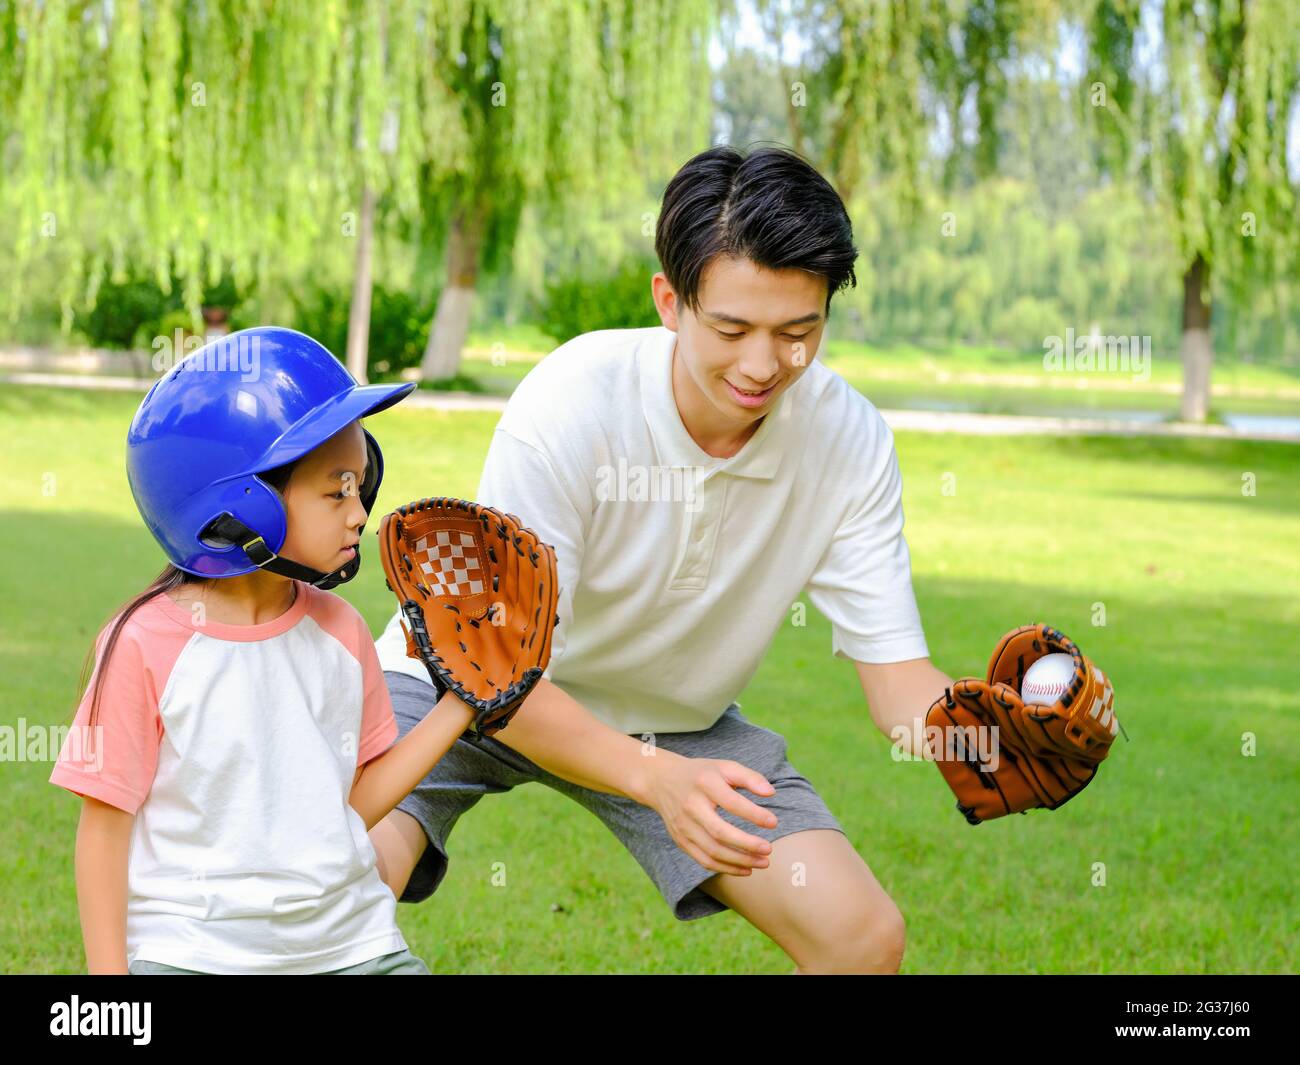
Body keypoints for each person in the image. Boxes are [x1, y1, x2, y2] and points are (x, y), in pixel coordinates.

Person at [369, 146, 956, 974]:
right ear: (670, 301)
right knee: (344, 879)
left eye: (798, 332)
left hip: (674, 723)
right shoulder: (571, 401)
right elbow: (496, 673)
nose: (762, 366)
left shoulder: (847, 440)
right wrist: (653, 781)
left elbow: (902, 686)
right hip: (464, 689)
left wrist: (995, 734)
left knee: (861, 935)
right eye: (732, 328)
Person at [50, 326, 476, 974]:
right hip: (195, 956)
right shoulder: (146, 644)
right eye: (336, 491)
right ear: (238, 509)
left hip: (352, 950)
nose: (360, 512)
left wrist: (461, 704)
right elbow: (103, 835)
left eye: (361, 485)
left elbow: (351, 804)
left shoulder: (340, 631)